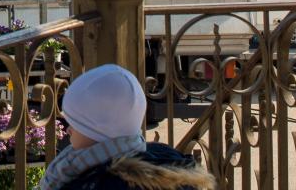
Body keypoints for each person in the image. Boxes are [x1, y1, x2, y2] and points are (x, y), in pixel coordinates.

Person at [39, 65, 213, 190]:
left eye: (76, 123)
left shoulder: (97, 181)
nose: (68, 129)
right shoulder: (163, 157)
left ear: (98, 129)